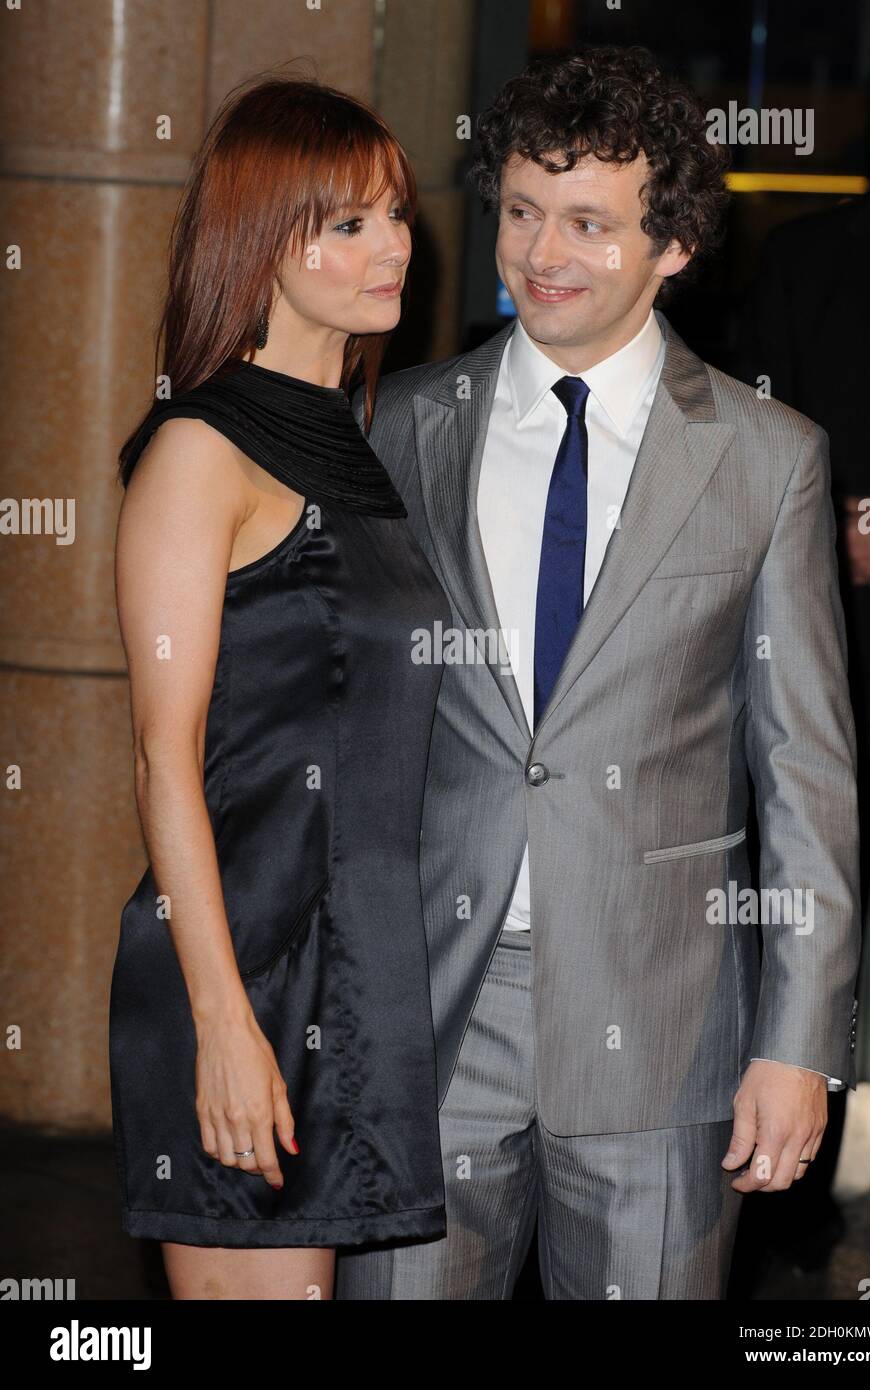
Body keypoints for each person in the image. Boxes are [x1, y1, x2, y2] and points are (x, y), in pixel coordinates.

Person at [336, 43, 860, 1301]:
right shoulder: (407, 425)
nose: (540, 252)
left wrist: (799, 1048)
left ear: (672, 245)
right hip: (434, 1018)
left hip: (663, 1031)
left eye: (587, 221)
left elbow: (804, 771)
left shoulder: (766, 456)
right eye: (520, 210)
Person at [108, 74, 450, 1300]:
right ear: (263, 240)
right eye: (348, 222)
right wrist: (222, 1022)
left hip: (358, 972)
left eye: (397, 213)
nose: (395, 243)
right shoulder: (201, 450)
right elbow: (164, 753)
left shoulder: (354, 441)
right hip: (240, 970)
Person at [737, 9, 870, 1263]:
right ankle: (786, 1198)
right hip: (827, 642)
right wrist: (833, 536)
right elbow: (749, 451)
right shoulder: (804, 261)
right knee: (802, 905)